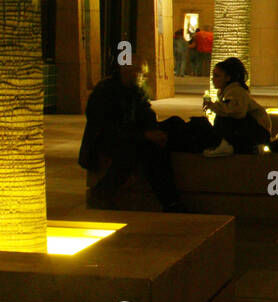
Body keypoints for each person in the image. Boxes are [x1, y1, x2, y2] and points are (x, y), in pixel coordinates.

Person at [79, 56, 217, 211]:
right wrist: (144, 136)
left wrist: (155, 131)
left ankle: (172, 202)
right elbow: (107, 128)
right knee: (143, 150)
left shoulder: (135, 90)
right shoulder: (105, 92)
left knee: (175, 124)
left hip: (132, 134)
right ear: (126, 71)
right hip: (106, 140)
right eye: (140, 73)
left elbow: (146, 113)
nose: (143, 77)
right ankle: (103, 193)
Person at [202, 56, 272, 155]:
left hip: (259, 133)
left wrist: (214, 106)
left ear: (228, 78)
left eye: (217, 76)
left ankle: (227, 145)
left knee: (222, 117)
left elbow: (237, 113)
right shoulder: (227, 91)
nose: (213, 79)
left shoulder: (236, 91)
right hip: (253, 132)